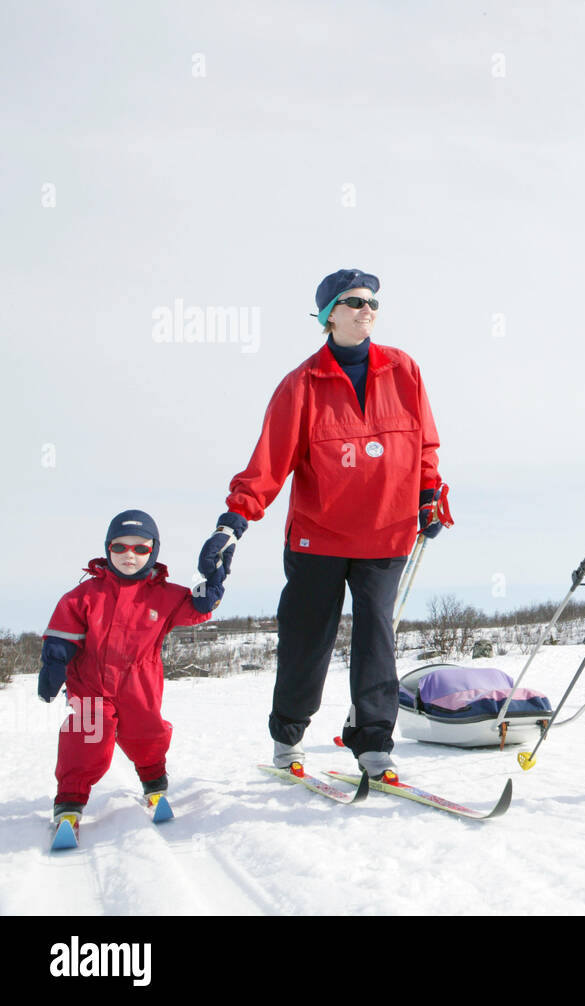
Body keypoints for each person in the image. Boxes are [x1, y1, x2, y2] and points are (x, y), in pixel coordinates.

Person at [199, 268, 451, 782]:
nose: (368, 310)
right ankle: (287, 736)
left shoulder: (404, 370)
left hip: (386, 533)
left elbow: (425, 443)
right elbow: (268, 463)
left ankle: (374, 742)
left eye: (374, 303)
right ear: (328, 313)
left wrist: (429, 495)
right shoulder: (301, 385)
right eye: (356, 302)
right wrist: (233, 522)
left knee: (377, 635)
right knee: (308, 636)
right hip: (319, 536)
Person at [39, 509, 225, 824]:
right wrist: (54, 663)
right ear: (107, 547)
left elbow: (200, 606)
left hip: (140, 686)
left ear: (154, 551)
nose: (130, 555)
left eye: (141, 548)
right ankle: (69, 799)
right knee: (86, 738)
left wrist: (216, 574)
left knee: (147, 734)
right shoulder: (84, 596)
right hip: (90, 685)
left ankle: (154, 781)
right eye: (120, 547)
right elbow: (61, 635)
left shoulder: (166, 595)